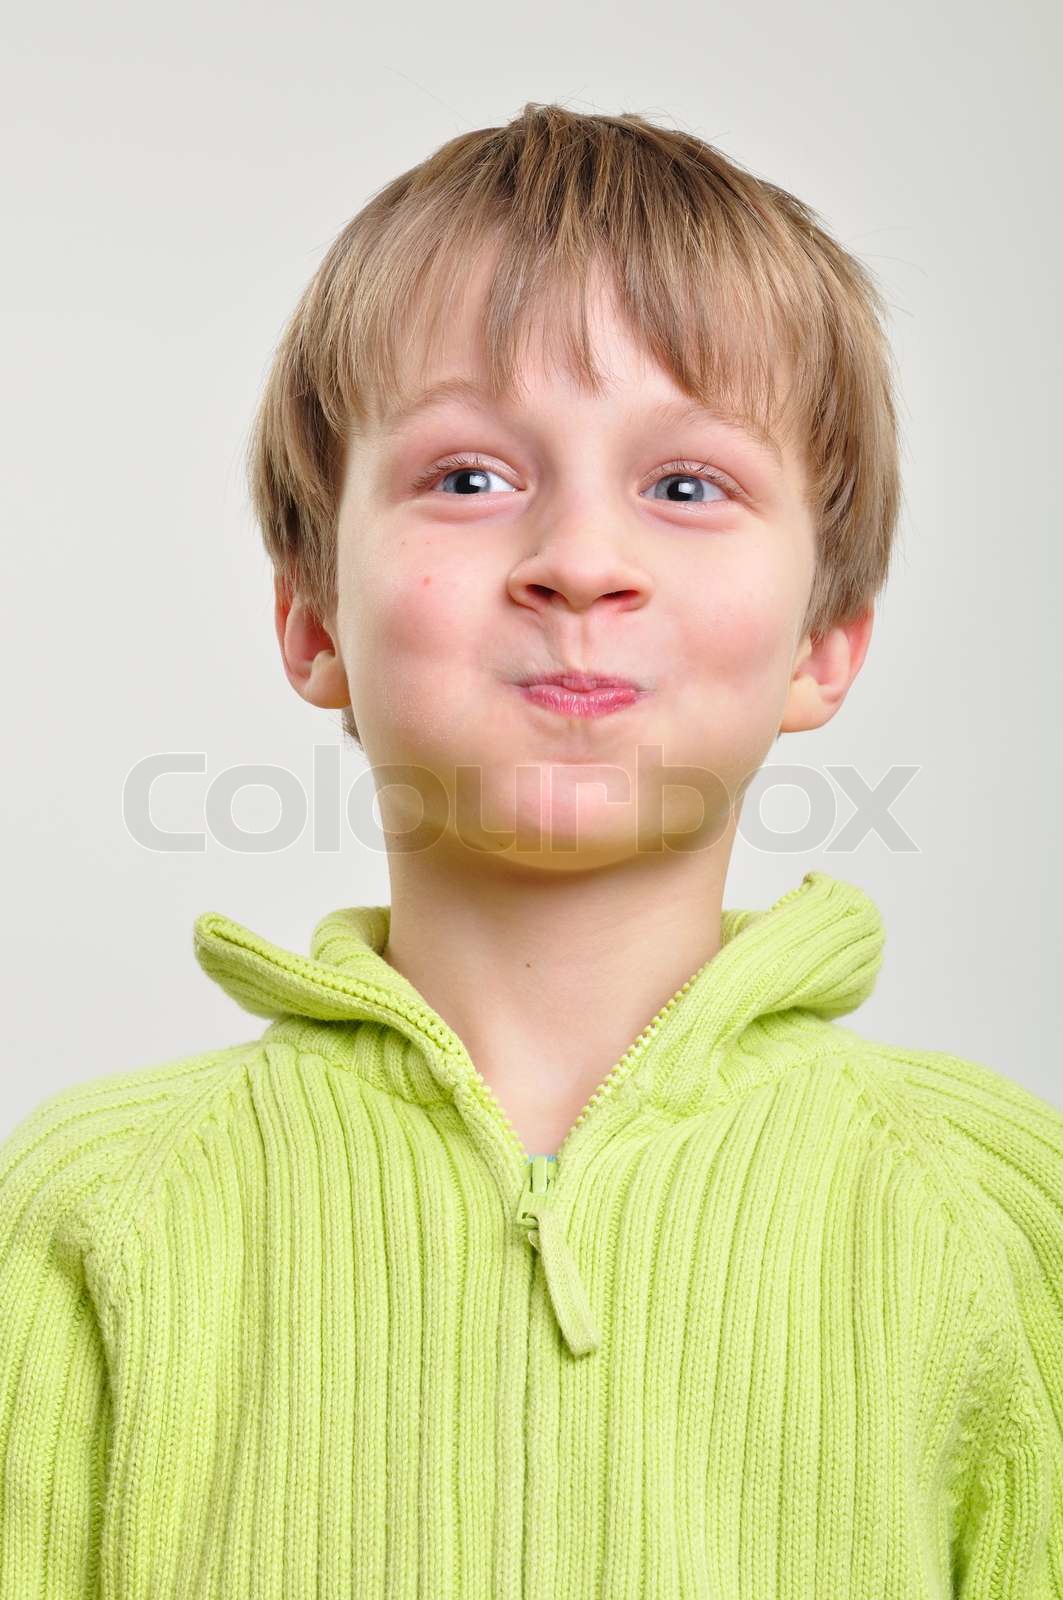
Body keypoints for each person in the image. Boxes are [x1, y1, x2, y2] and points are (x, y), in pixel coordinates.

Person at [2, 104, 1060, 1598]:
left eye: (686, 485)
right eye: (470, 478)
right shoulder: (87, 1213)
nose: (579, 558)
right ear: (315, 621)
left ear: (826, 645)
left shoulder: (1003, 1210)